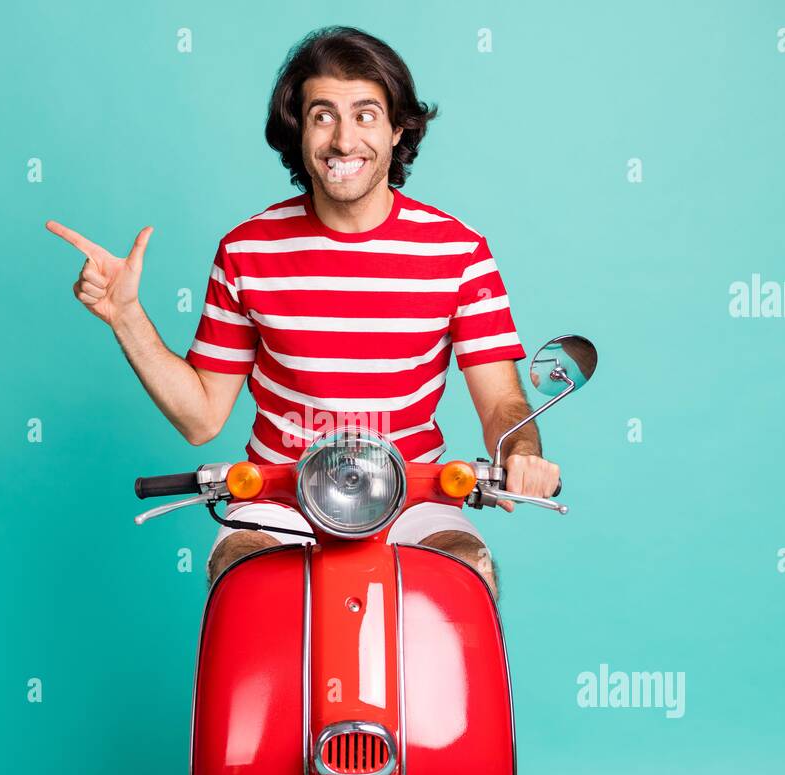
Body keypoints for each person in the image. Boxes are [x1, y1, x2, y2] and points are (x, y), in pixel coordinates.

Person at [45, 26, 560, 599]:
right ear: (299, 133)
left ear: (397, 130)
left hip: (416, 497)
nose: (344, 140)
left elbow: (502, 404)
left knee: (463, 580)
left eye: (366, 114)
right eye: (323, 115)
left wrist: (522, 454)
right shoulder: (248, 250)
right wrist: (125, 316)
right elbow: (201, 419)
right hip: (277, 500)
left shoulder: (458, 251)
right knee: (246, 590)